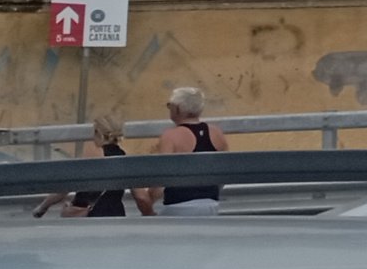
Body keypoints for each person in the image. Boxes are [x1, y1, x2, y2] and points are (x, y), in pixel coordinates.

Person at [146, 86, 225, 217]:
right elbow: (224, 172)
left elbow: (162, 178)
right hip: (211, 203)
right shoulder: (216, 133)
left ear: (177, 108)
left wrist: (149, 201)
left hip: (179, 204)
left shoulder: (171, 136)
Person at [35, 114, 129, 218]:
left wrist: (43, 207)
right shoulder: (124, 158)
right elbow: (140, 197)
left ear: (97, 133)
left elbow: (67, 186)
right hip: (117, 213)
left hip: (91, 216)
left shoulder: (95, 154)